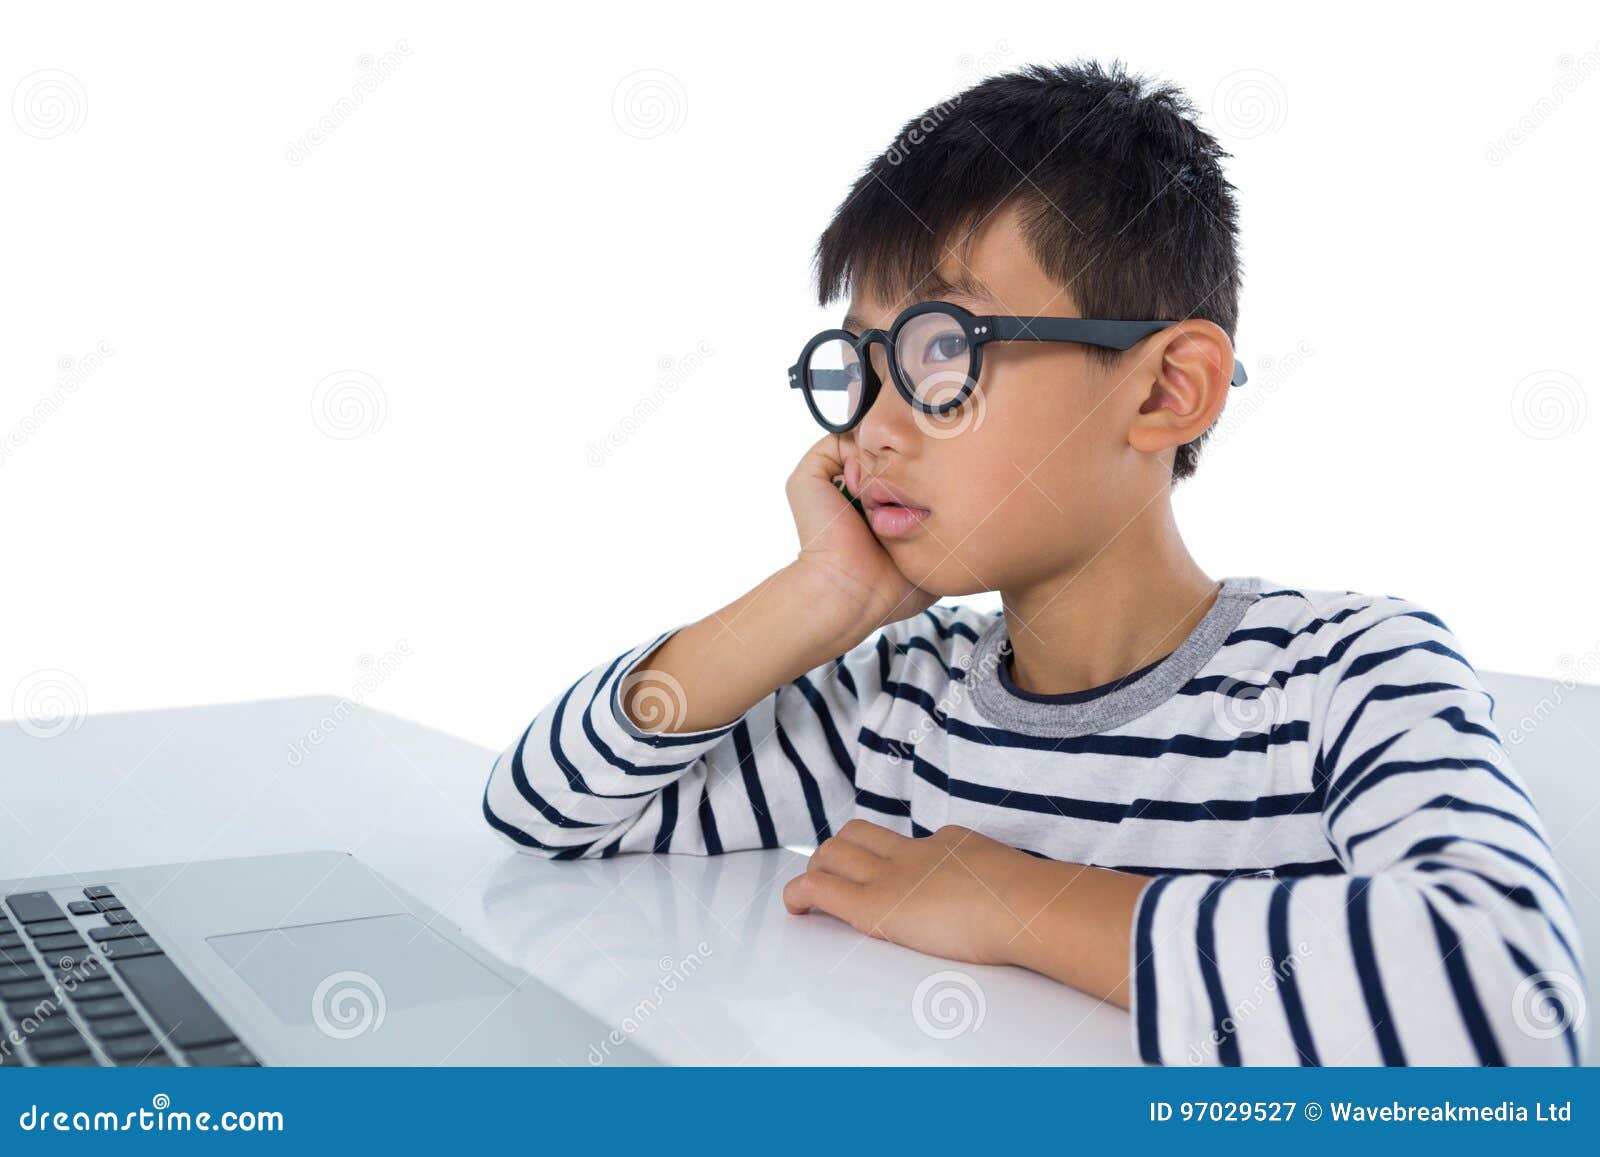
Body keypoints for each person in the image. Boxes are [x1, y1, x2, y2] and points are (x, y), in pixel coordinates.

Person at [483, 60, 1585, 1066]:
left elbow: (1503, 998)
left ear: (1166, 390)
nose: (872, 426)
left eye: (942, 350)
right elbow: (545, 808)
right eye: (861, 365)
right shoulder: (904, 698)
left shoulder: (1343, 671)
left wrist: (1012, 898)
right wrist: (823, 593)